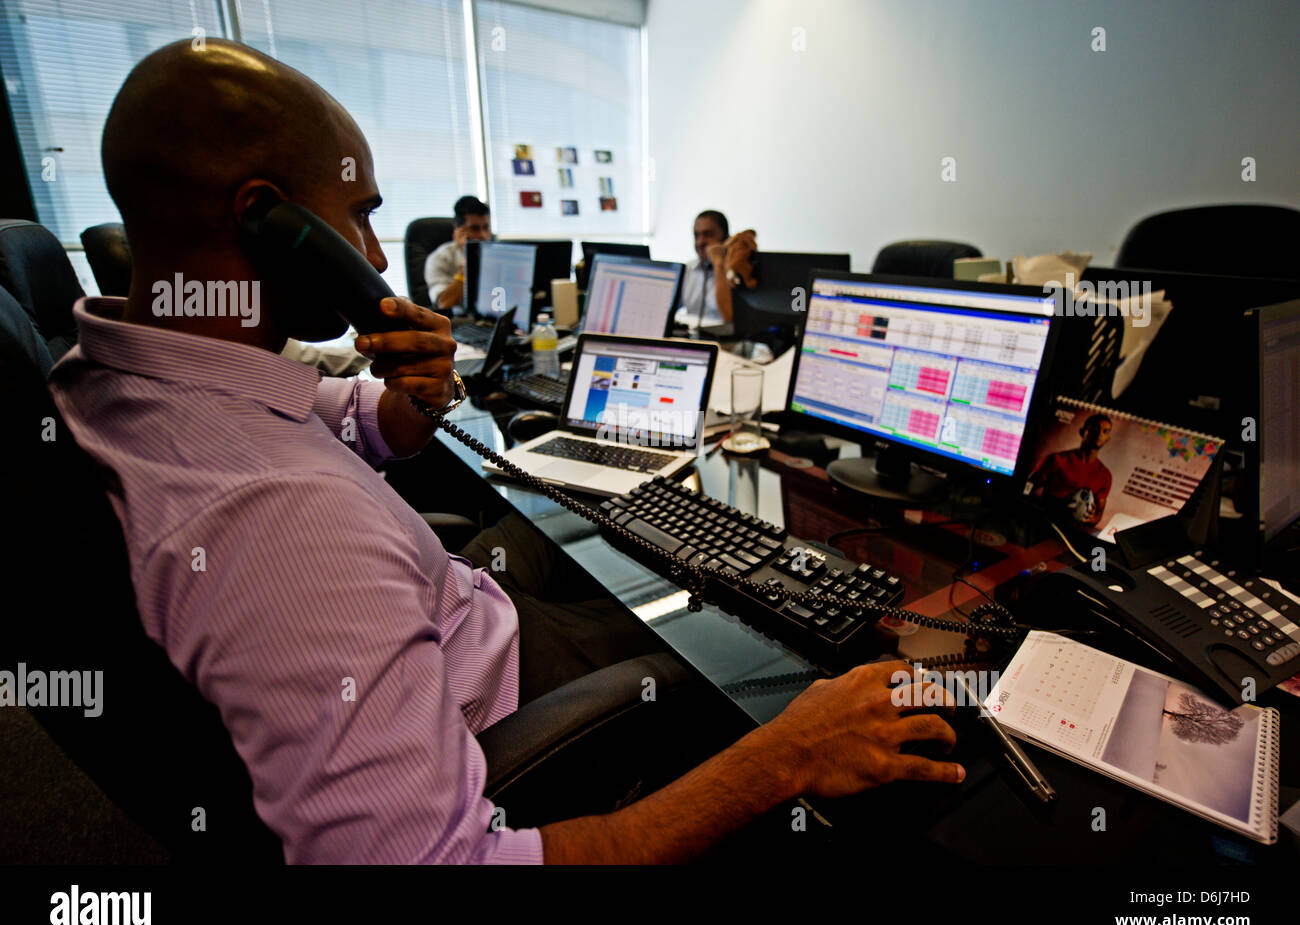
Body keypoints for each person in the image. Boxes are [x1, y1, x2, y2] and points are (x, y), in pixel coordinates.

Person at [49, 39, 964, 865]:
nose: (372, 251)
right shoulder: (276, 519)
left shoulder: (130, 373)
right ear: (267, 219)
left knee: (677, 568)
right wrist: (782, 757)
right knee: (768, 665)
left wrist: (414, 403)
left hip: (460, 620)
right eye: (359, 217)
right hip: (507, 711)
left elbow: (352, 419)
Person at [1027, 413, 1114, 526]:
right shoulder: (1057, 459)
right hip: (1043, 525)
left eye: (1105, 431)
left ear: (1108, 439)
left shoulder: (1105, 475)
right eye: (1095, 429)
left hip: (1073, 535)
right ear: (1082, 432)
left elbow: (1098, 515)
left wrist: (1091, 518)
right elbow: (1027, 488)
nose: (1099, 434)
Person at [679, 210, 759, 326]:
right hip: (692, 338)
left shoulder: (737, 272)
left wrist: (718, 264)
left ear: (726, 238)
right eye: (697, 235)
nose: (700, 242)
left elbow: (728, 316)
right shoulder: (688, 269)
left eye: (708, 235)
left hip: (727, 342)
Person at [424, 195, 491, 310]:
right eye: (474, 229)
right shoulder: (439, 258)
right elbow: (445, 304)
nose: (483, 236)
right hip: (461, 322)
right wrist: (469, 260)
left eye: (486, 228)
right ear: (458, 229)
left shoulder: (498, 254)